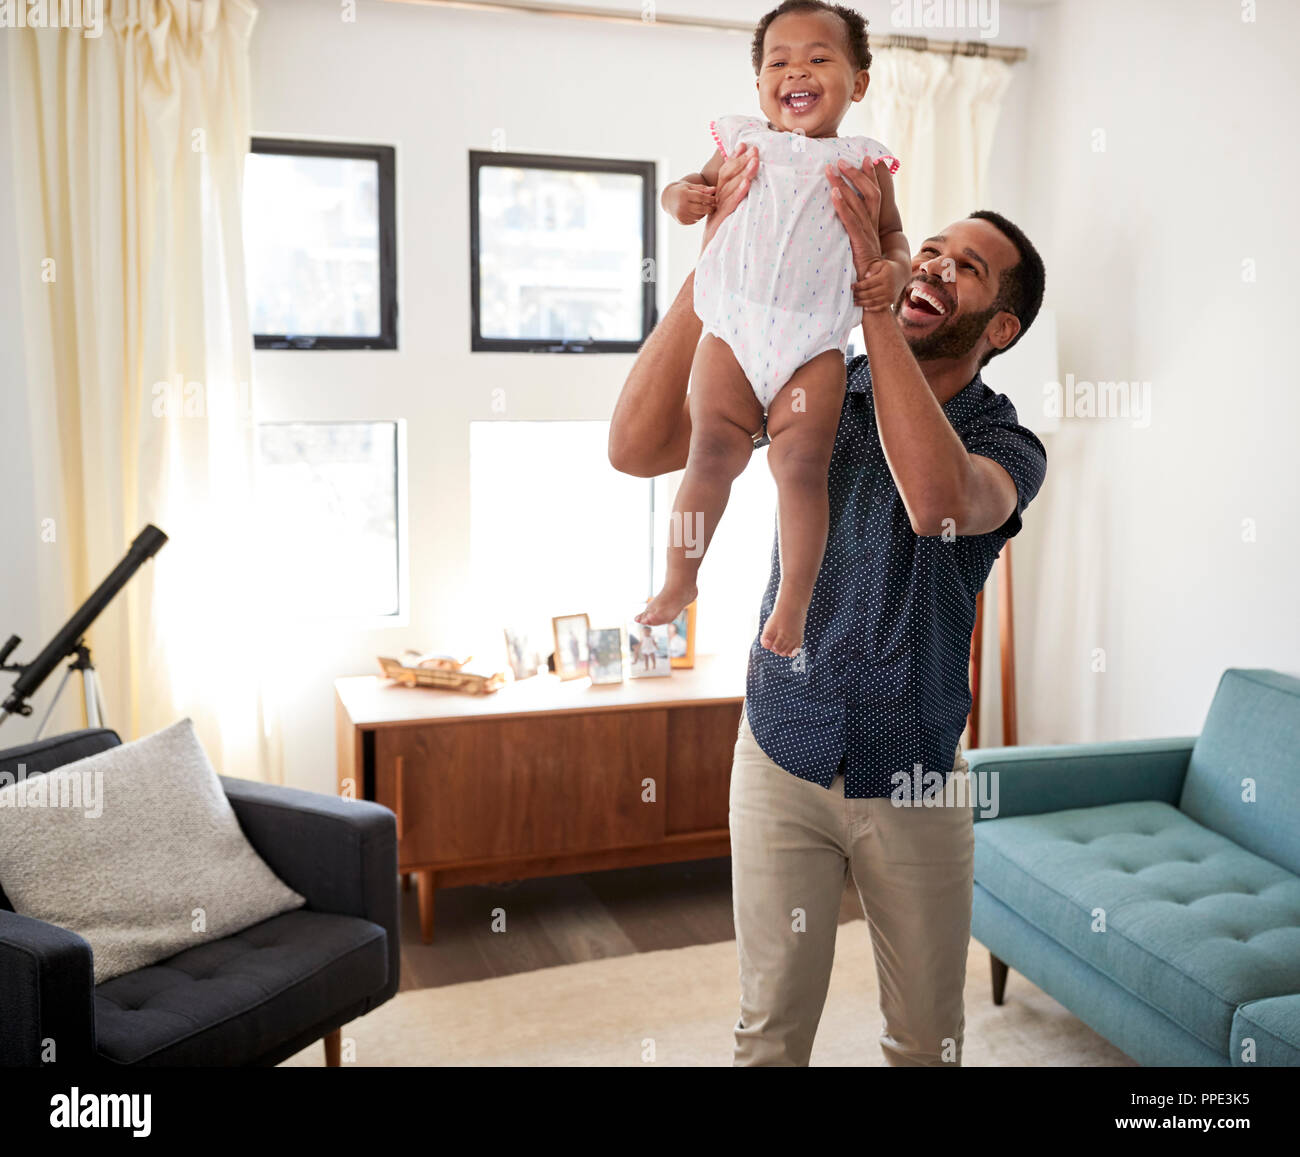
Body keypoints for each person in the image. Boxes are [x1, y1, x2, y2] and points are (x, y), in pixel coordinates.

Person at [608, 139, 1048, 1067]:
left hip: (914, 777)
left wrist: (881, 311)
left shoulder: (1010, 446)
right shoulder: (814, 384)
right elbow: (638, 448)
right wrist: (721, 259)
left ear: (1000, 327)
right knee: (768, 1036)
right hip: (780, 751)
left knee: (926, 1041)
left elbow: (936, 505)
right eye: (928, 247)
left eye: (964, 269)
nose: (933, 263)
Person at [633, 0, 910, 659]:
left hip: (814, 343)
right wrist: (684, 199)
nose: (797, 72)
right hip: (730, 331)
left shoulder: (865, 163)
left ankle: (795, 599)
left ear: (858, 82)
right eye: (779, 62)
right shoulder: (740, 141)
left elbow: (895, 238)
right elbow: (681, 187)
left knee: (801, 468)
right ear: (759, 85)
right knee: (709, 458)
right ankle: (679, 579)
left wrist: (894, 274)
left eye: (819, 58)